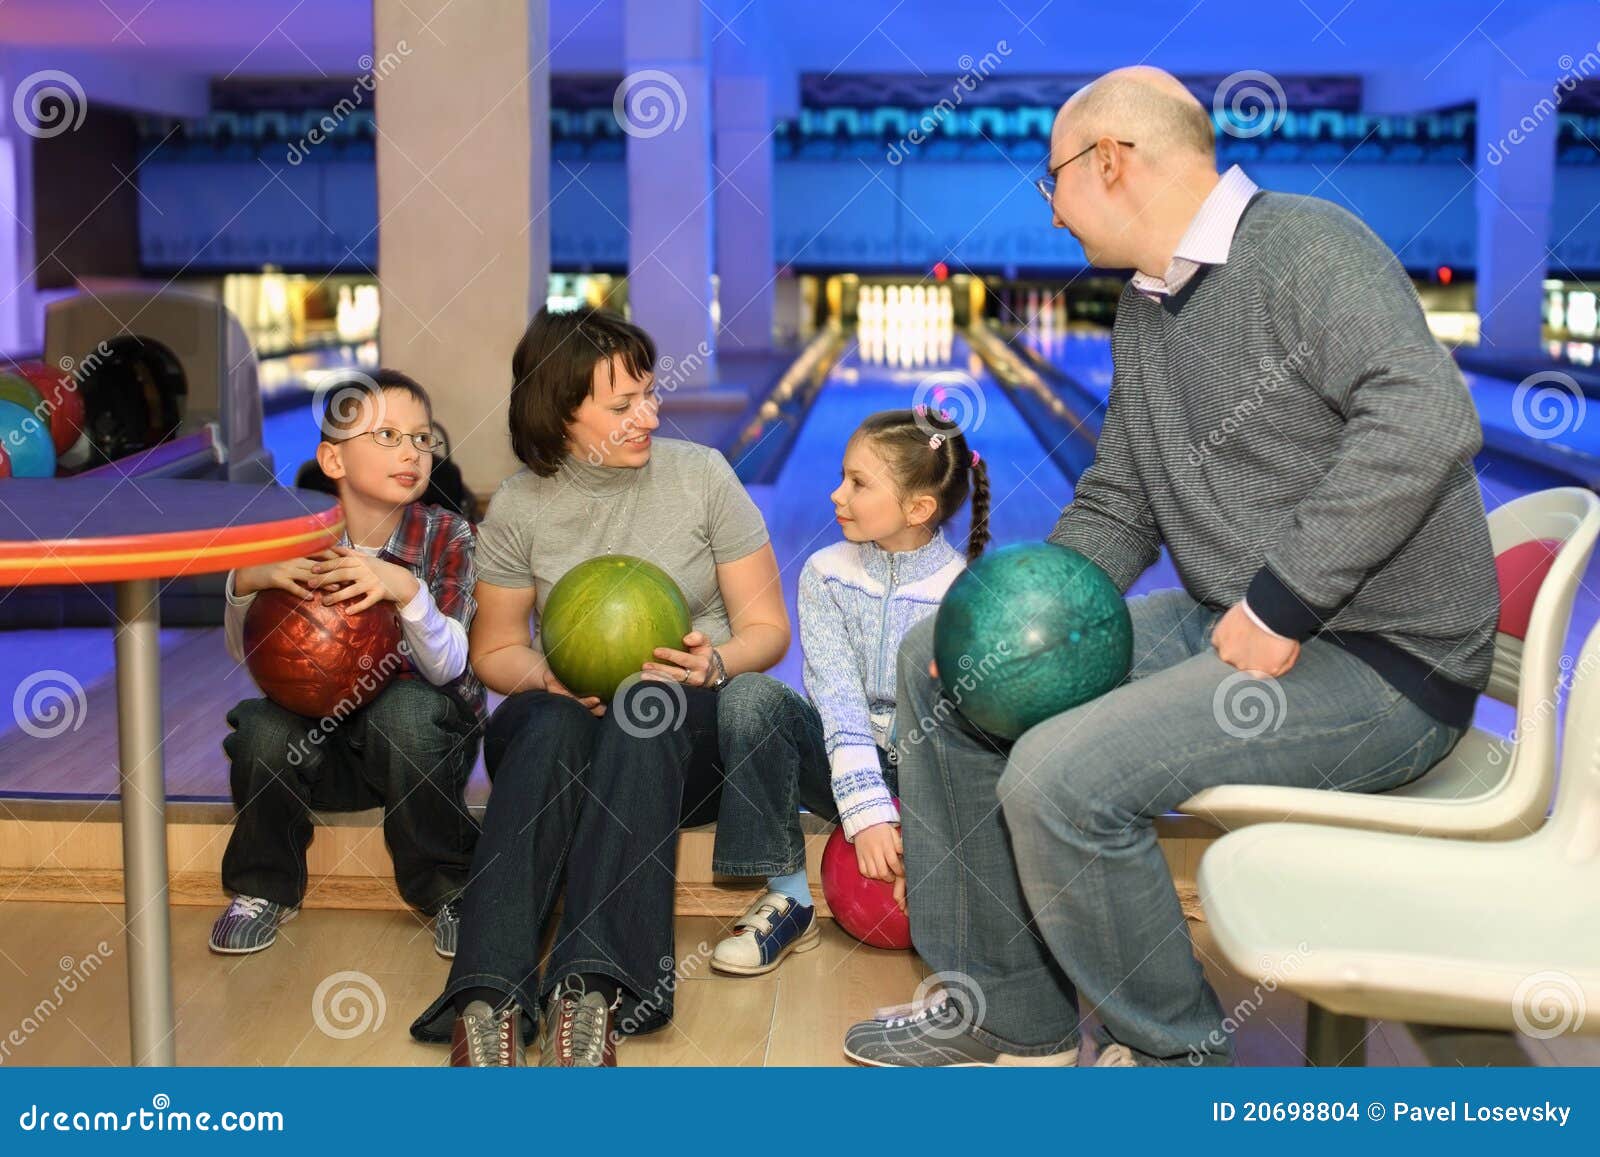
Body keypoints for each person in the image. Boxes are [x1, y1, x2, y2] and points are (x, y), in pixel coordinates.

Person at [843, 66, 1497, 1068]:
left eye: (1048, 179)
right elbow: (1121, 497)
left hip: (1382, 661)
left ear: (1109, 160)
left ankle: (1174, 1057)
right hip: (1232, 621)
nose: (1048, 211)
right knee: (942, 665)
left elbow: (1423, 416)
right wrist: (1010, 620)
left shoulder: (1305, 247)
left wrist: (1282, 604)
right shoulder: (1148, 311)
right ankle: (1009, 1008)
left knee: (1059, 777)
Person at [409, 306, 798, 1067]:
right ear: (559, 413)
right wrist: (545, 673)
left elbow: (768, 631)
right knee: (547, 721)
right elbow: (493, 651)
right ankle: (489, 995)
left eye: (650, 394)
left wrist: (711, 662)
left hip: (682, 741)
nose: (650, 414)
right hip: (570, 732)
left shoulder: (702, 477)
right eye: (623, 405)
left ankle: (597, 987)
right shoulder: (520, 503)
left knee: (643, 710)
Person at [212, 369, 484, 959]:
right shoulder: (291, 536)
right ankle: (264, 889)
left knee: (406, 710)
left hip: (422, 751)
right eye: (386, 436)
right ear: (333, 461)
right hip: (326, 755)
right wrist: (247, 581)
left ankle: (449, 890)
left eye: (421, 438)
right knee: (261, 727)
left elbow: (450, 667)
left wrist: (406, 591)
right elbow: (248, 654)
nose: (410, 452)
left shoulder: (447, 535)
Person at [709, 406, 985, 975]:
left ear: (919, 508)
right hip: (841, 761)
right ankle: (788, 897)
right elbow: (836, 698)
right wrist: (865, 810)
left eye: (858, 483)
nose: (837, 494)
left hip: (931, 773)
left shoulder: (965, 591)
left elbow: (961, 733)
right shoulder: (825, 574)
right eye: (841, 475)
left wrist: (921, 831)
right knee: (749, 697)